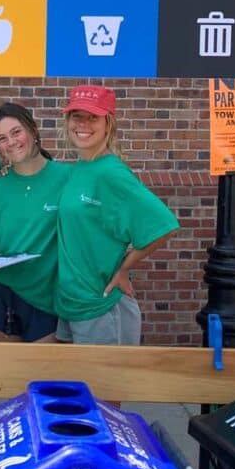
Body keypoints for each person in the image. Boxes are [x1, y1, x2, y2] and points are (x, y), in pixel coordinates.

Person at [56, 85, 179, 345]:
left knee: (104, 386)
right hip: (73, 301)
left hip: (100, 305)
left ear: (108, 124)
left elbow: (165, 225)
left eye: (93, 117)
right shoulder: (80, 168)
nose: (83, 124)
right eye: (77, 116)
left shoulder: (112, 173)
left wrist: (124, 268)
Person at [0, 102, 69, 343]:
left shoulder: (67, 178)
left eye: (16, 132)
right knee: (9, 377)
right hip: (2, 295)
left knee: (44, 377)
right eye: (2, 138)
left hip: (47, 298)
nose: (11, 142)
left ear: (33, 130)